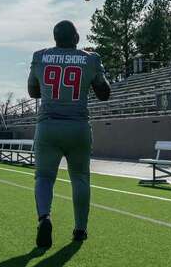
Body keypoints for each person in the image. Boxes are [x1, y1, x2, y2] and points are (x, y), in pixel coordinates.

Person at [26, 20, 110, 248]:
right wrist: (95, 75)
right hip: (78, 127)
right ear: (75, 38)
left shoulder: (40, 56)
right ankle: (80, 230)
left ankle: (44, 217)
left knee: (44, 177)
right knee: (80, 178)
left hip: (48, 126)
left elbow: (33, 91)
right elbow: (105, 93)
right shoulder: (90, 58)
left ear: (55, 39)